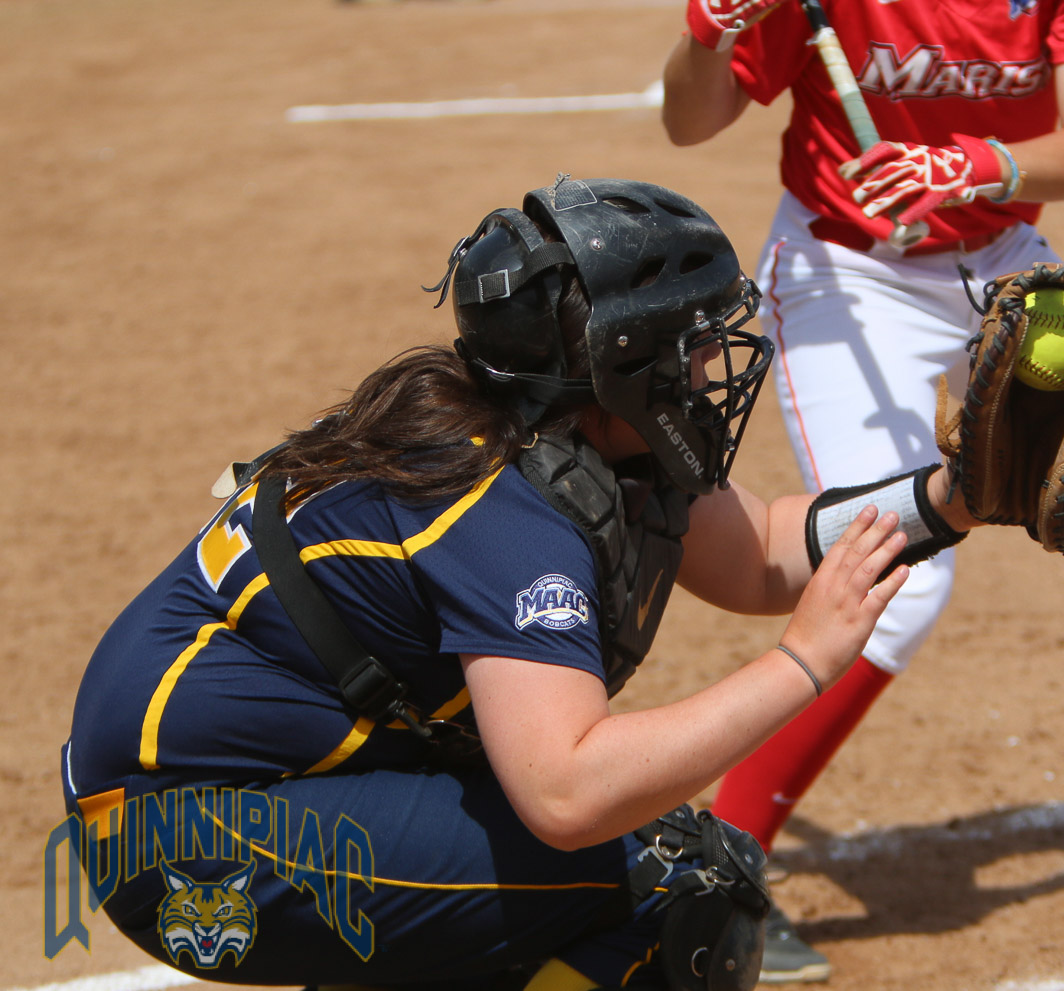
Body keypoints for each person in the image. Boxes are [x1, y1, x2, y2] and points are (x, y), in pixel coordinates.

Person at [60, 175, 991, 991]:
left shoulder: (558, 434)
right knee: (678, 883)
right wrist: (800, 662)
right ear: (624, 365)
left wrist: (954, 498)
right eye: (696, 344)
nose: (714, 368)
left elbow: (764, 553)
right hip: (182, 846)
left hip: (252, 795)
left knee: (591, 875)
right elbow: (567, 793)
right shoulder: (501, 510)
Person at [661, 0, 1064, 982]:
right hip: (845, 273)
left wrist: (976, 166)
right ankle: (716, 867)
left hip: (1006, 262)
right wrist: (709, 32)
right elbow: (688, 119)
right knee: (895, 575)